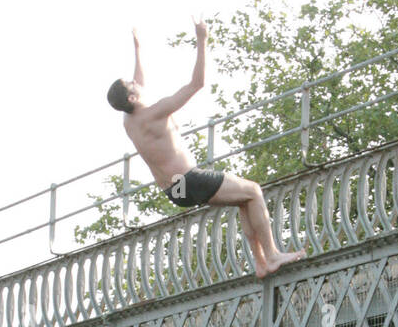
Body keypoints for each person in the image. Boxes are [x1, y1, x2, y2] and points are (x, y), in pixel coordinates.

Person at [107, 20, 306, 277]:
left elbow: (137, 82)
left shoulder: (130, 121)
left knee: (243, 201)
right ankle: (272, 254)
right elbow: (196, 84)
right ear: (132, 97)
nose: (137, 83)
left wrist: (138, 49)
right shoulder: (156, 112)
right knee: (254, 191)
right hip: (188, 179)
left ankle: (261, 263)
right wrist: (202, 40)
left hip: (173, 189)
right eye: (133, 86)